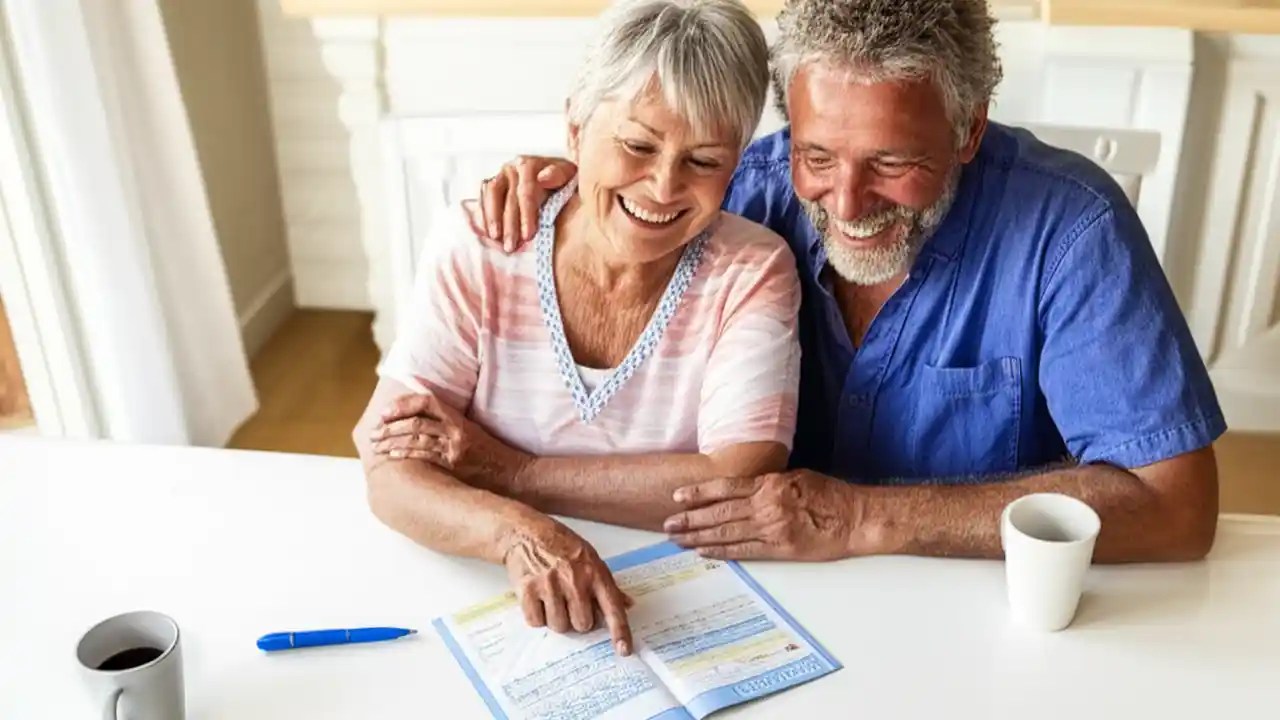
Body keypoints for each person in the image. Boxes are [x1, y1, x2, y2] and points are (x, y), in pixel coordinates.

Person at [379, 0, 1225, 565]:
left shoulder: (1071, 230)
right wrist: (572, 183)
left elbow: (1178, 507)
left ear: (969, 129)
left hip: (981, 611)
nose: (846, 203)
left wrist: (869, 520)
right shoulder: (746, 187)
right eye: (817, 155)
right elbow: (658, 187)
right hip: (775, 600)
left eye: (892, 162)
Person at [353, 0, 798, 656]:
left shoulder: (753, 269)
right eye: (637, 145)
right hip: (474, 589)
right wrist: (516, 533)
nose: (663, 186)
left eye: (703, 161)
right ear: (575, 127)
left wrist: (506, 469)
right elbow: (390, 470)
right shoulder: (483, 240)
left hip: (673, 609)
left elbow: (736, 480)